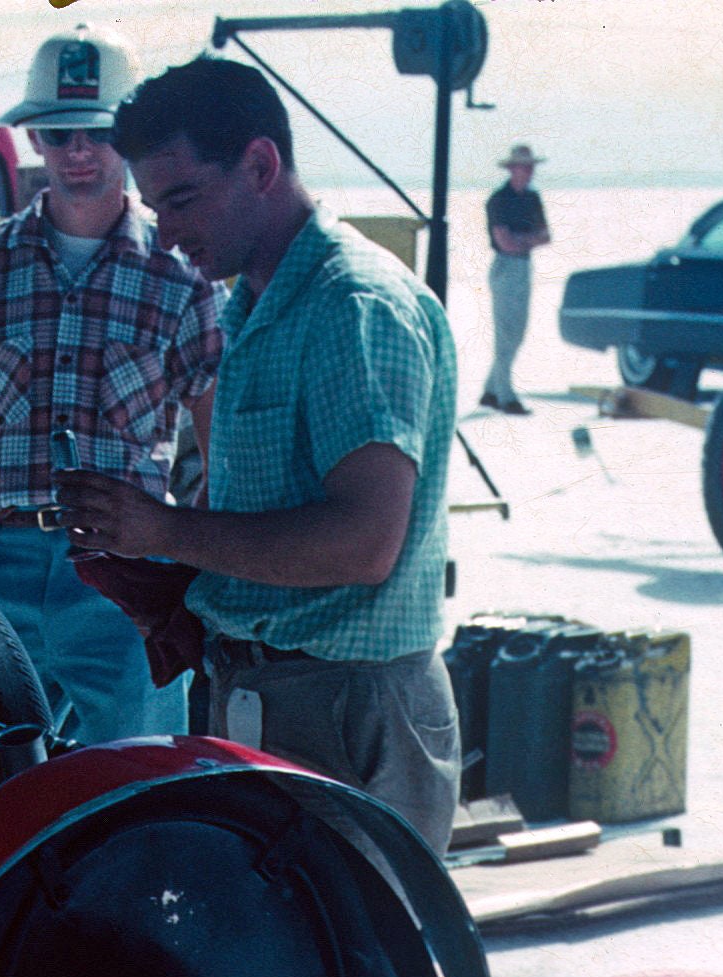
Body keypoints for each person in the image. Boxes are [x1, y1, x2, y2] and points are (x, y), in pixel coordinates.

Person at [54, 56, 462, 850]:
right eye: (153, 206)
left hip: (351, 711)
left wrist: (166, 533)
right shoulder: (250, 307)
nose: (166, 234)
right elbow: (269, 511)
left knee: (356, 966)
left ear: (261, 165)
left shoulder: (353, 308)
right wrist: (176, 581)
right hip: (264, 692)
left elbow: (365, 542)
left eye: (181, 199)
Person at [0, 25, 222, 745]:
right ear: (33, 141)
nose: (78, 152)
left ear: (130, 138)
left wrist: (174, 580)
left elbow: (220, 454)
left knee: (135, 790)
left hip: (127, 584)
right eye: (58, 134)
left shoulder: (183, 279)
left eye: (97, 131)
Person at [482, 143, 550, 414]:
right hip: (505, 266)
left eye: (531, 166)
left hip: (523, 266)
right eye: (525, 166)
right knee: (506, 332)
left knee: (517, 331)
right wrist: (526, 240)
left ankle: (491, 389)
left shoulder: (532, 199)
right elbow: (504, 242)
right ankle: (505, 394)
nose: (530, 171)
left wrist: (522, 240)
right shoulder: (499, 200)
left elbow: (545, 235)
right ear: (512, 169)